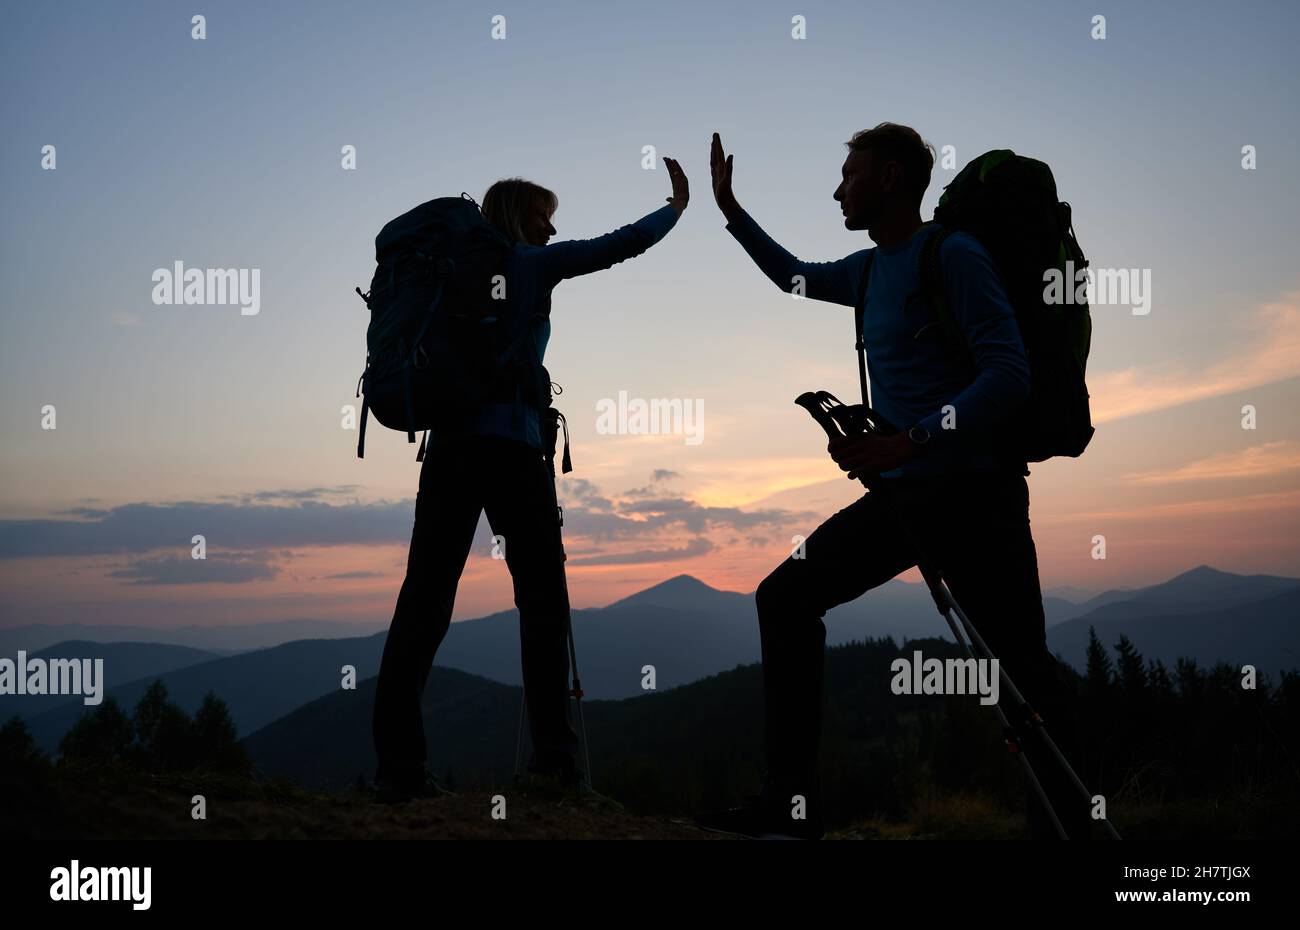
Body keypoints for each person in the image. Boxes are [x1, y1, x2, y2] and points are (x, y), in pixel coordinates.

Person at [695, 126, 1086, 840]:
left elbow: (1008, 375)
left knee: (1021, 670)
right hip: (908, 494)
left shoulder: (955, 257)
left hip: (978, 496)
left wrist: (909, 439)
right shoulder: (868, 270)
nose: (838, 188)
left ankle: (1067, 826)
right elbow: (793, 277)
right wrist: (730, 210)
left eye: (850, 174)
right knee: (785, 598)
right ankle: (788, 807)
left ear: (891, 177)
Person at [371, 158, 690, 802]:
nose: (551, 232)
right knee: (543, 600)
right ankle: (555, 766)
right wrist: (675, 211)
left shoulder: (457, 268)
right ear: (522, 218)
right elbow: (616, 247)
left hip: (451, 448)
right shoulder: (530, 264)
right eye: (545, 219)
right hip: (515, 449)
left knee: (426, 597)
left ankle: (399, 770)